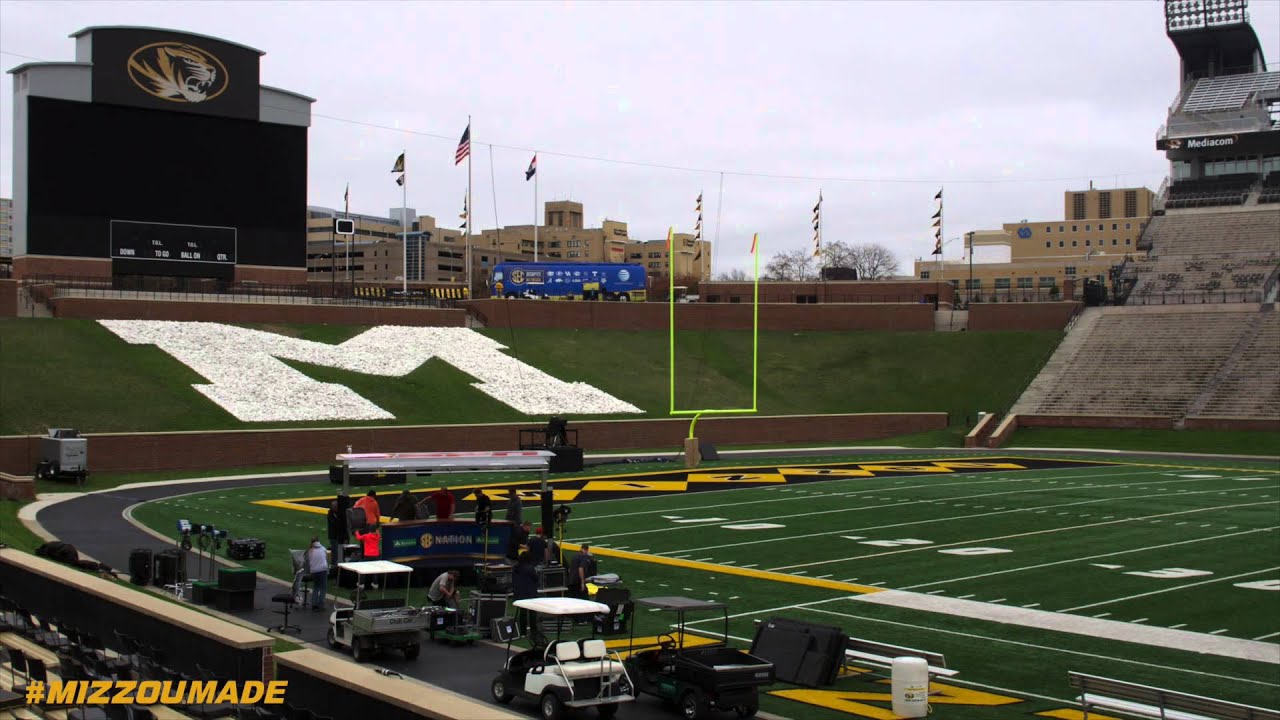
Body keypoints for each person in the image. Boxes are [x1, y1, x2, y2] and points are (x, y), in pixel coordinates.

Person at [511, 551, 538, 637]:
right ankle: (533, 630)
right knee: (532, 612)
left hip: (519, 592)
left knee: (523, 612)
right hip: (530, 592)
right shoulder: (530, 568)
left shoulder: (515, 567)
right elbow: (536, 578)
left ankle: (523, 632)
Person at [304, 536, 329, 611]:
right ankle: (321, 604)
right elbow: (326, 559)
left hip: (314, 571)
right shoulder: (323, 548)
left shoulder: (310, 550)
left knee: (316, 587)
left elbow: (307, 561)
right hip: (323, 569)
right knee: (323, 588)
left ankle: (314, 604)